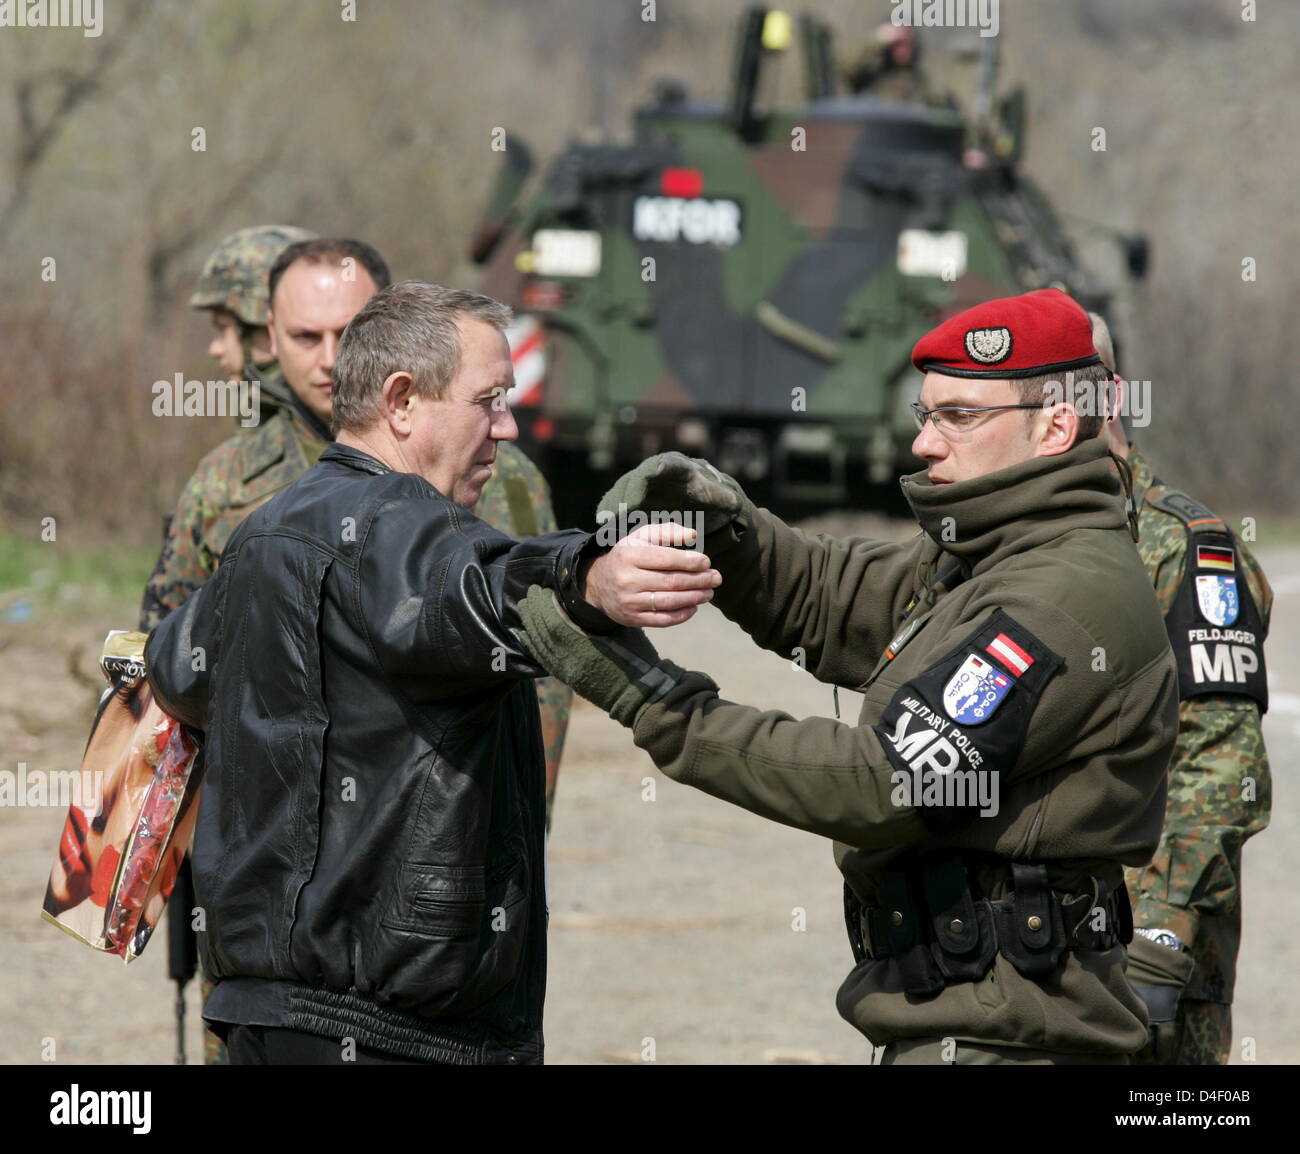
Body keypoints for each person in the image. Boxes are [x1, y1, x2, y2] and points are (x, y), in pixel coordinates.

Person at [518, 288, 1180, 1064]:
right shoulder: (995, 550)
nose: (926, 445)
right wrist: (723, 525)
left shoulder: (1066, 594)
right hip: (968, 1024)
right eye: (925, 417)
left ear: (1055, 427)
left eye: (959, 417)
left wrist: (652, 699)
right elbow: (836, 602)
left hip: (1016, 1038)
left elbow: (883, 785)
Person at [144, 282, 719, 1065]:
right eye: (490, 400)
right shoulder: (403, 528)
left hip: (263, 1021)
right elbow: (474, 588)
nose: (507, 427)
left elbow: (173, 667)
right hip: (398, 1036)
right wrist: (589, 579)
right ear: (403, 400)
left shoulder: (264, 532)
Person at [1092, 314, 1271, 1065]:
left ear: (1108, 397)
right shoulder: (1009, 541)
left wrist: (1159, 930)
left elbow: (1219, 768)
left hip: (1152, 967)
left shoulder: (1185, 547)